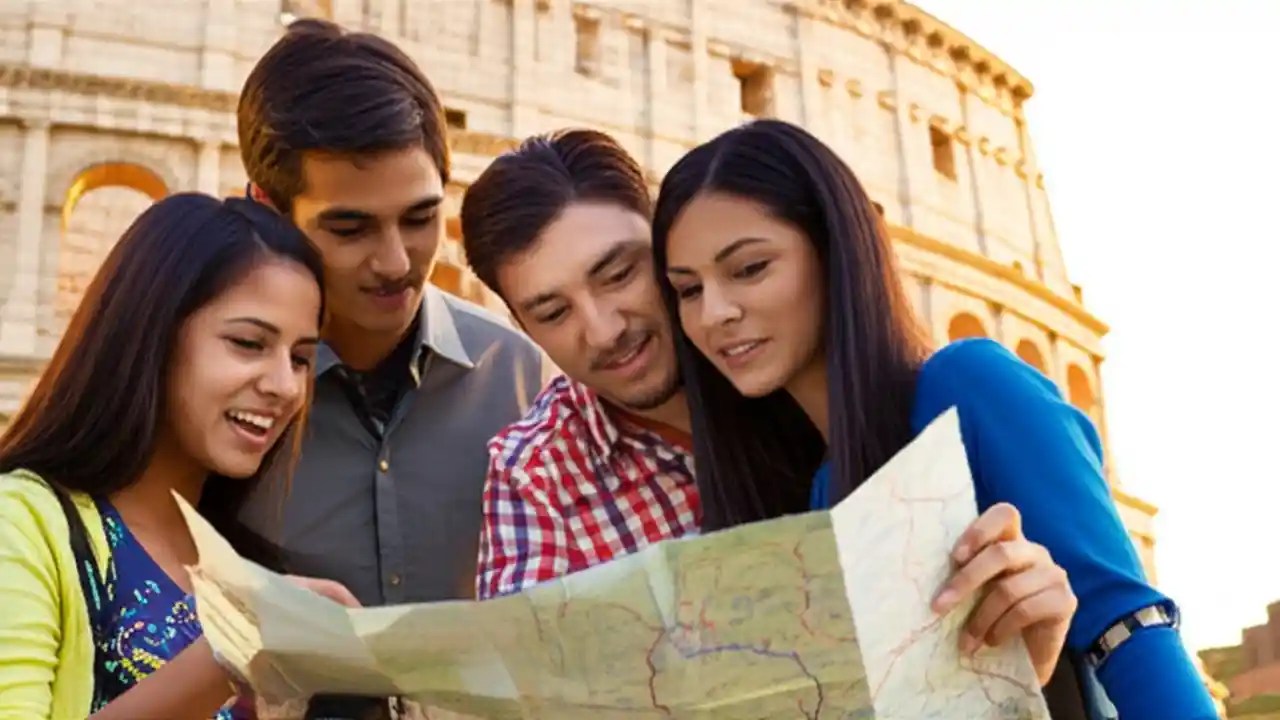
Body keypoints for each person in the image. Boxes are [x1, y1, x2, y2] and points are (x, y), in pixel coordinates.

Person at [651, 118, 1218, 718]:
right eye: (688, 290)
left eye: (749, 269)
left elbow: (1128, 624)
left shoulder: (967, 385)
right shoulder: (813, 491)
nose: (714, 313)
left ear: (833, 251)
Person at [0, 193, 359, 720]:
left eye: (302, 358)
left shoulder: (242, 563)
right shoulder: (24, 522)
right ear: (152, 334)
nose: (286, 386)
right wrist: (228, 653)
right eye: (248, 343)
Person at [235, 18, 545, 611]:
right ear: (268, 209)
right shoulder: (213, 389)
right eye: (350, 228)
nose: (396, 262)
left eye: (420, 219)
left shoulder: (521, 377)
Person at [460, 129, 699, 600]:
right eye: (554, 313)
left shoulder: (777, 363)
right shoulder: (535, 477)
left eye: (619, 275)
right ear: (523, 325)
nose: (604, 331)